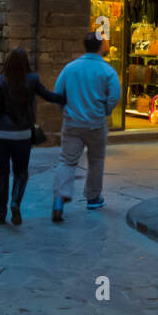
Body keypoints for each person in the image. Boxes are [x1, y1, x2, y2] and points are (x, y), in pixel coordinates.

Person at [0, 48, 65, 225]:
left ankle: (1, 213)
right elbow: (49, 96)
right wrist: (66, 97)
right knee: (21, 173)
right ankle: (15, 203)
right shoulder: (32, 80)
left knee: (1, 174)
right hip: (22, 135)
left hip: (1, 135)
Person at [50, 31, 121, 223]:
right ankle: (93, 198)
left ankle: (59, 199)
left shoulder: (70, 68)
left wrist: (65, 109)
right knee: (96, 161)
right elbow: (114, 95)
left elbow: (58, 92)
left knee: (67, 160)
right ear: (100, 47)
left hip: (73, 122)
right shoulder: (107, 71)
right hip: (96, 124)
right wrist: (105, 110)